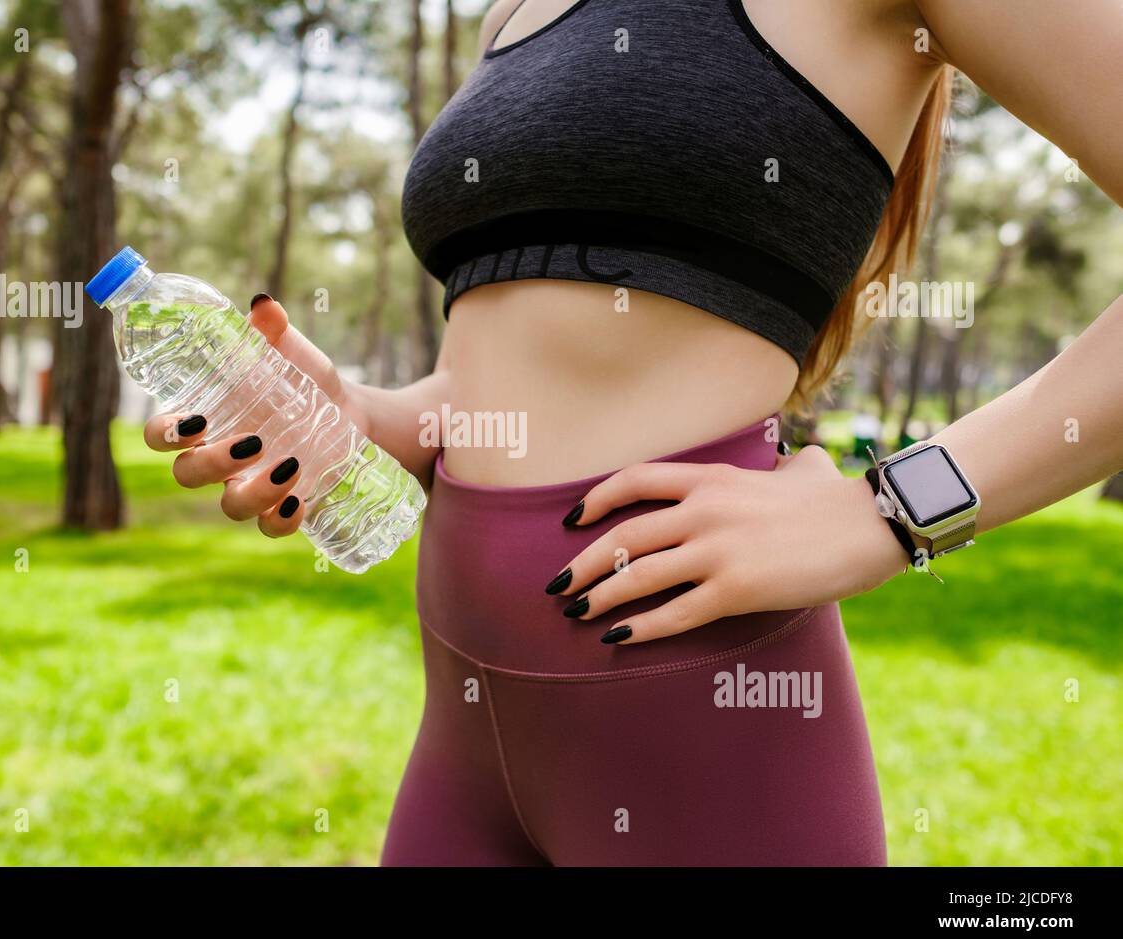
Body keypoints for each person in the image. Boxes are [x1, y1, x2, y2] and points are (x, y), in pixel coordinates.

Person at [143, 0, 1123, 865]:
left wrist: (887, 512)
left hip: (702, 731)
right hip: (463, 738)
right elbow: (506, 368)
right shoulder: (517, 11)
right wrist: (361, 419)